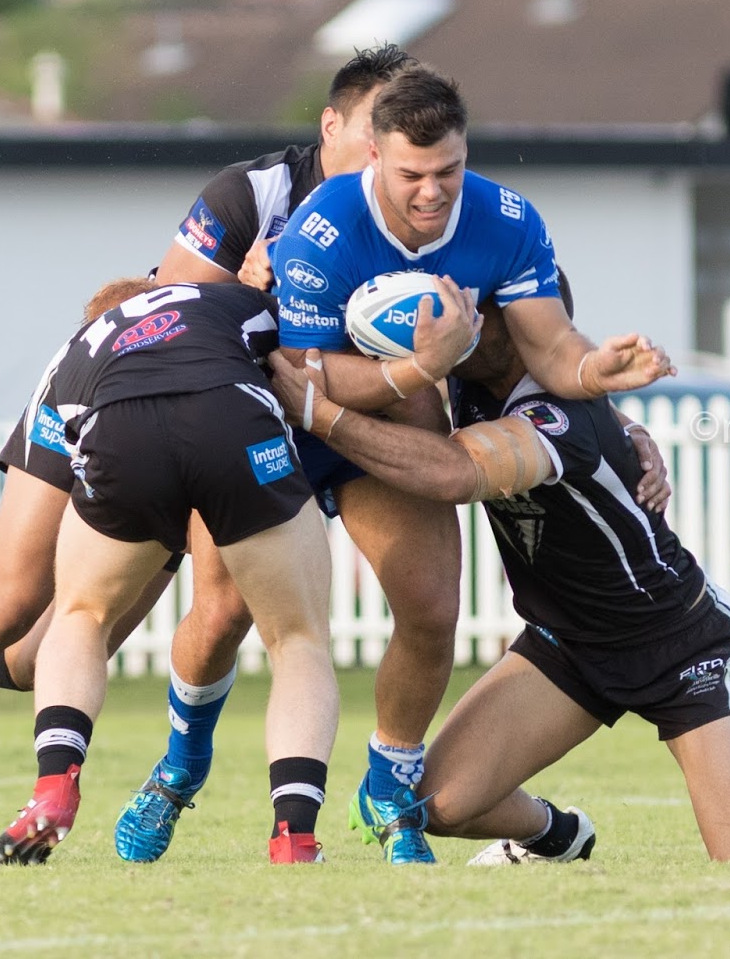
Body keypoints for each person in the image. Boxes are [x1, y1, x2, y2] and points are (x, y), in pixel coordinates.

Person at [0, 47, 435, 867]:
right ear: (333, 126)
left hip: (290, 412)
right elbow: (155, 319)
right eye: (375, 133)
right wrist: (262, 295)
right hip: (142, 389)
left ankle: (333, 795)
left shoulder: (427, 199)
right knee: (19, 619)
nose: (395, 155)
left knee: (405, 605)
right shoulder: (251, 195)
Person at [264, 280, 730, 864]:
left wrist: (320, 417)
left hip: (673, 639)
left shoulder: (558, 411)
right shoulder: (475, 377)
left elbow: (455, 473)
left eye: (483, 307)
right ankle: (553, 838)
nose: (459, 317)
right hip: (563, 646)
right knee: (435, 804)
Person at [250, 65, 673, 865]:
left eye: (448, 170)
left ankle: (389, 781)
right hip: (292, 421)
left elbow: (549, 348)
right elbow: (302, 378)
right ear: (373, 155)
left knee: (432, 608)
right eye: (412, 175)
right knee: (213, 621)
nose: (433, 192)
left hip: (396, 424)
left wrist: (600, 376)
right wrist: (419, 367)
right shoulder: (322, 228)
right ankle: (173, 774)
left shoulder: (506, 218)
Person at [0, 277, 343, 864]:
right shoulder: (225, 300)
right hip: (231, 415)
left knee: (81, 615)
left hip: (121, 430)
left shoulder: (79, 349)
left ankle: (53, 785)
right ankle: (293, 835)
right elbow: (303, 360)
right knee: (297, 639)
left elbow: (62, 453)